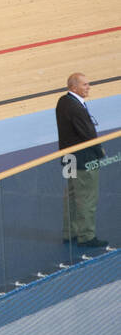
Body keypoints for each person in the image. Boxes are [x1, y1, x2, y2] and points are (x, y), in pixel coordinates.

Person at [57, 73, 107, 249]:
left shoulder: (63, 101)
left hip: (69, 158)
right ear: (74, 87)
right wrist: (99, 151)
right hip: (83, 161)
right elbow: (88, 134)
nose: (88, 87)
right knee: (86, 197)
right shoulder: (76, 107)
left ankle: (70, 232)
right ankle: (86, 236)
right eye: (85, 85)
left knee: (71, 195)